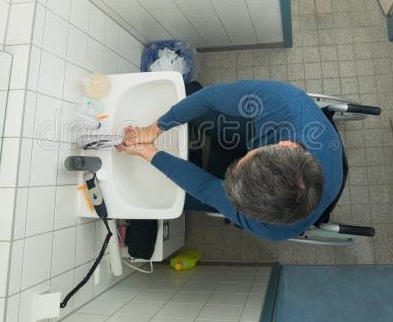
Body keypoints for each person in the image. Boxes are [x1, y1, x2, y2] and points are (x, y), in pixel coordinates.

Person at [116, 80, 343, 241]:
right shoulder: (285, 102)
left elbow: (206, 188)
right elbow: (208, 99)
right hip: (302, 133)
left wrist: (149, 154)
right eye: (240, 164)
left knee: (176, 195)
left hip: (323, 173)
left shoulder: (272, 227)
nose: (233, 168)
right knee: (200, 108)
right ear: (280, 145)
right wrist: (154, 130)